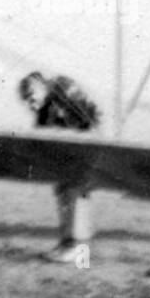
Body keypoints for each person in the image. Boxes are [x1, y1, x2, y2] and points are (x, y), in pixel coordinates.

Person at [18, 71, 100, 262]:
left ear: (40, 86)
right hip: (71, 153)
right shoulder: (45, 106)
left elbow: (89, 120)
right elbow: (42, 137)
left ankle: (77, 251)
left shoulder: (64, 91)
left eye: (31, 97)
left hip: (85, 150)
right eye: (26, 100)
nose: (30, 104)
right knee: (64, 192)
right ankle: (68, 245)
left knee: (74, 193)